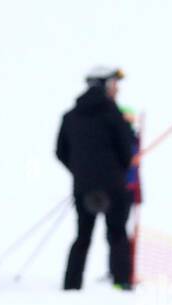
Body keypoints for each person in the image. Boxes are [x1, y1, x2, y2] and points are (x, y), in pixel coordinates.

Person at [55, 66, 137, 291]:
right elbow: (126, 149)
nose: (117, 89)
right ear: (104, 85)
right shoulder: (113, 115)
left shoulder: (71, 116)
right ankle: (122, 283)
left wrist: (81, 172)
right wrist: (117, 171)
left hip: (83, 187)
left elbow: (60, 152)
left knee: (82, 236)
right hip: (113, 186)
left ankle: (71, 285)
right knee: (118, 233)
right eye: (114, 84)